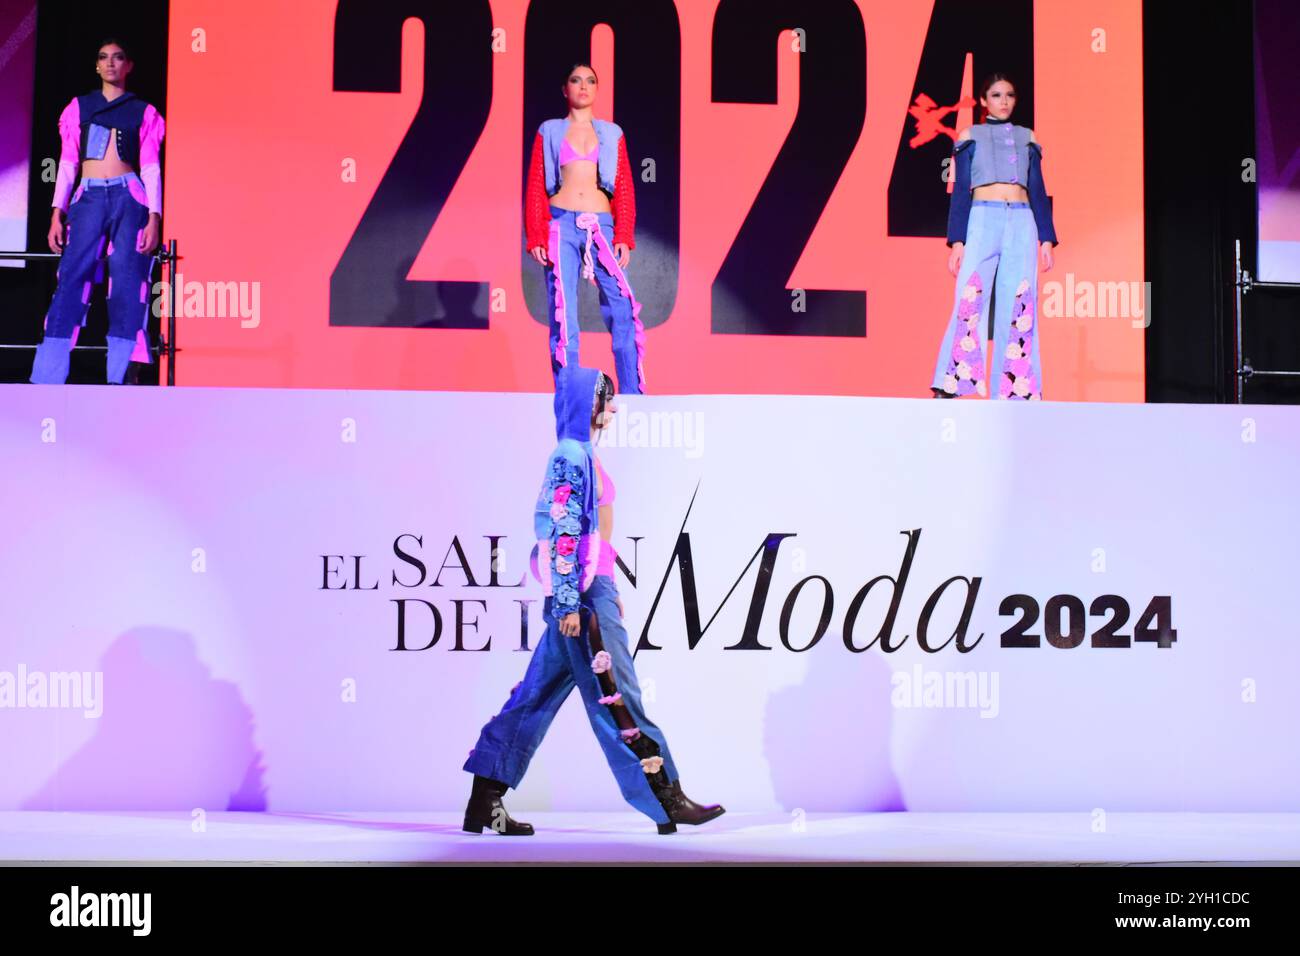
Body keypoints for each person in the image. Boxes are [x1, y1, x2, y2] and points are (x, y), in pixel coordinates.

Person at [462, 366, 723, 835]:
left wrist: (610, 588)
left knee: (534, 698)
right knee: (618, 695)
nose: (614, 409)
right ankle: (668, 799)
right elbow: (560, 528)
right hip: (581, 598)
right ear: (588, 404)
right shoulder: (570, 454)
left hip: (589, 588)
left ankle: (485, 800)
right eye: (606, 400)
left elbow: (594, 537)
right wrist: (568, 603)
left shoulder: (581, 453)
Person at [30, 38, 164, 385]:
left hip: (128, 197)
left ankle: (123, 376)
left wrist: (154, 215)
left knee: (127, 277)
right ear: (96, 65)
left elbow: (150, 167)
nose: (110, 64)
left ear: (128, 66)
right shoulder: (79, 107)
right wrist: (56, 211)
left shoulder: (143, 111)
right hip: (88, 198)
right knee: (72, 276)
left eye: (118, 58)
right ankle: (47, 378)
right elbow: (68, 163)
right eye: (103, 58)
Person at [930, 73, 1057, 400]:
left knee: (1020, 299)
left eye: (1009, 95)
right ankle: (953, 383)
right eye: (997, 95)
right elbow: (960, 190)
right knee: (970, 294)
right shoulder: (970, 135)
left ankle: (1016, 388)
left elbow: (1039, 190)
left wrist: (1046, 237)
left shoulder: (1028, 136)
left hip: (1021, 220)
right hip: (982, 218)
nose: (1004, 101)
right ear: (984, 100)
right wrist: (957, 240)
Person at [525, 63, 646, 395]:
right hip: (560, 223)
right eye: (576, 80)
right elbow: (536, 183)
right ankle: (569, 392)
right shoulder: (549, 130)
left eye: (590, 81)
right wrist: (535, 232)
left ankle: (633, 395)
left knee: (622, 307)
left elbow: (624, 187)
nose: (583, 86)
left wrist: (623, 235)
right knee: (565, 314)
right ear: (565, 89)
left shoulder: (611, 133)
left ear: (596, 88)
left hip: (600, 226)